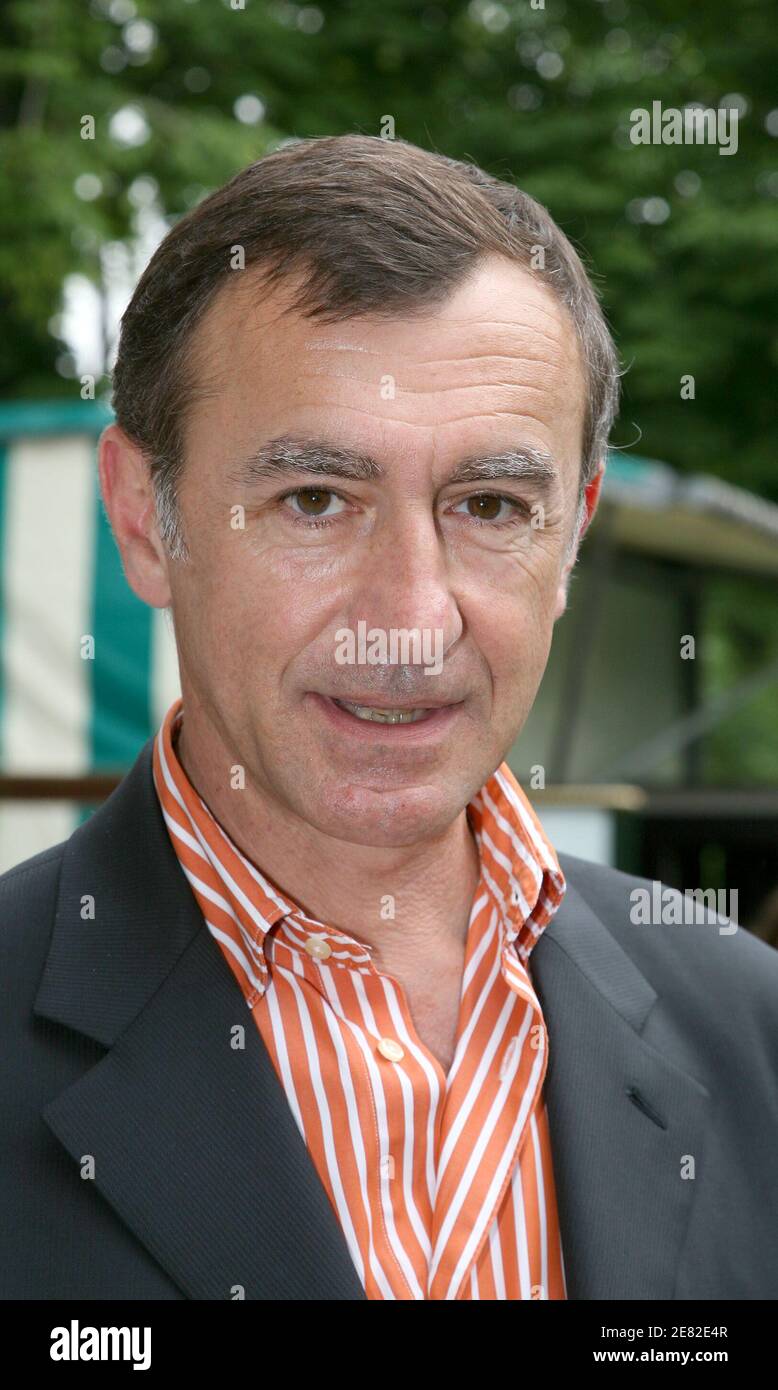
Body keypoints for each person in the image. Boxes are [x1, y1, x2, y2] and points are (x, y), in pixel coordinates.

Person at [2, 134, 776, 1301]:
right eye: (315, 498)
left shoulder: (751, 1029)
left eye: (490, 503)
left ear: (572, 535)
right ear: (143, 518)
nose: (409, 622)